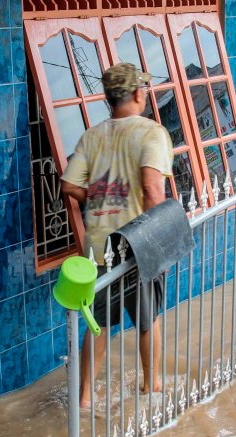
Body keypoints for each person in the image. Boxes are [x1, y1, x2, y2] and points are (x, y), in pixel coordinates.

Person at [60, 63, 174, 409]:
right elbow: (153, 189)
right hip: (136, 244)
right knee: (147, 319)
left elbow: (69, 185)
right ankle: (151, 385)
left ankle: (83, 398)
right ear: (139, 94)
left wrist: (96, 200)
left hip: (99, 248)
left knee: (98, 325)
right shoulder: (152, 133)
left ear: (108, 99)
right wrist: (161, 240)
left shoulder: (91, 136)